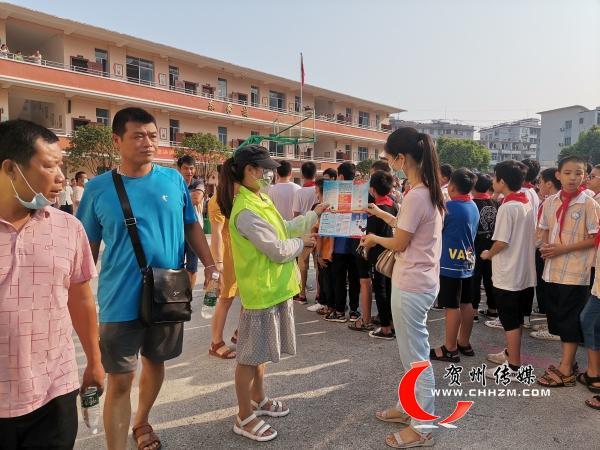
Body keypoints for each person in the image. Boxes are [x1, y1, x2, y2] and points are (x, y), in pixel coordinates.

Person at [77, 108, 217, 450]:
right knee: (120, 378)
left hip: (167, 292)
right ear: (117, 140)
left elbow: (190, 226)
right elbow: (85, 249)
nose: (148, 142)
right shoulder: (97, 189)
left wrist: (210, 266)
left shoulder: (173, 180)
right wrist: (74, 296)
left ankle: (141, 421)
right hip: (118, 297)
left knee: (156, 362)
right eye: (138, 135)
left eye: (153, 136)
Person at [0, 120, 105, 449]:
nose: (61, 177)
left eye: (61, 166)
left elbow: (81, 299)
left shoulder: (69, 228)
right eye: (49, 166)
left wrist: (95, 360)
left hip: (55, 390)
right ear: (10, 169)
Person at [221, 145, 326, 442]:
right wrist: (302, 245)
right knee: (248, 357)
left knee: (261, 353)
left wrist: (313, 214)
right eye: (264, 169)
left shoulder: (260, 199)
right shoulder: (245, 210)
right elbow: (278, 249)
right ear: (248, 171)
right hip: (260, 292)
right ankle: (243, 415)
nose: (269, 174)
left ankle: (259, 398)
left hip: (274, 289)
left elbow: (284, 228)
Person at [362, 127, 444, 448]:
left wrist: (373, 237)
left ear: (401, 157)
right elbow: (411, 230)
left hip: (411, 285)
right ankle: (407, 407)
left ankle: (422, 423)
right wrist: (384, 214)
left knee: (415, 357)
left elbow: (400, 241)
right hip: (421, 282)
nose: (388, 163)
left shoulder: (416, 194)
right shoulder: (429, 191)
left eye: (389, 157)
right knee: (410, 353)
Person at [536, 156, 600, 388]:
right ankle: (568, 363)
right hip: (552, 271)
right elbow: (543, 229)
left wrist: (562, 249)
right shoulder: (551, 201)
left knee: (570, 320)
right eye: (569, 173)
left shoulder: (589, 204)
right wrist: (543, 245)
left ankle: (565, 369)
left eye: (579, 173)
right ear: (558, 175)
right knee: (559, 320)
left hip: (575, 273)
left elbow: (595, 238)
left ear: (584, 176)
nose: (574, 177)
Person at [481, 160, 536, 380]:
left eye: (494, 178)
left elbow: (502, 241)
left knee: (510, 320)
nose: (493, 182)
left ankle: (513, 367)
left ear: (501, 181)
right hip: (522, 271)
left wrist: (488, 253)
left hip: (508, 273)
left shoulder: (507, 207)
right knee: (515, 318)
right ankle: (509, 354)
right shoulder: (526, 202)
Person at [431, 168, 479, 362]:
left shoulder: (448, 209)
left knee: (451, 305)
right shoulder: (473, 205)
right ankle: (464, 342)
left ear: (451, 186)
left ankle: (449, 348)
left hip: (450, 263)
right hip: (468, 261)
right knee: (466, 302)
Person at [356, 170, 398, 339]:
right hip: (394, 254)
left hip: (379, 257)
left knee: (380, 290)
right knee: (391, 289)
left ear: (372, 190)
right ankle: (393, 322)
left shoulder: (374, 210)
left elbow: (370, 238)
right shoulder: (394, 205)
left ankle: (386, 327)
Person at [208, 162, 239, 359]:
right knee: (225, 298)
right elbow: (217, 234)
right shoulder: (218, 199)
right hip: (227, 256)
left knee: (250, 296)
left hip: (243, 256)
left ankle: (241, 332)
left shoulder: (243, 196)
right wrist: (217, 264)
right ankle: (216, 341)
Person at [325, 162, 361, 323]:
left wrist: (329, 247)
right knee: (354, 279)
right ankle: (354, 311)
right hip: (356, 243)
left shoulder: (333, 192)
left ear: (340, 176)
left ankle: (339, 311)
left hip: (338, 244)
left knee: (338, 279)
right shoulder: (362, 192)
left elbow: (330, 219)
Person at [529, 168, 561, 341]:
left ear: (549, 183)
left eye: (540, 181)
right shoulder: (551, 201)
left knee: (550, 289)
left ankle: (554, 328)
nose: (538, 184)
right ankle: (551, 323)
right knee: (547, 289)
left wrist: (535, 245)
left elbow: (542, 230)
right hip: (547, 250)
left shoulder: (552, 203)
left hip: (547, 250)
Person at [471, 174, 499, 320]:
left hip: (476, 244)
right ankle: (492, 309)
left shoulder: (472, 203)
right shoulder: (495, 203)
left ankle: (473, 311)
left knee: (475, 278)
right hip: (492, 244)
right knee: (490, 277)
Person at [177, 155, 205, 288]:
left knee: (192, 268)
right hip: (176, 231)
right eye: (185, 168)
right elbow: (192, 198)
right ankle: (176, 296)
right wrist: (189, 195)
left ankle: (188, 297)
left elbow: (197, 198)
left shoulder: (198, 183)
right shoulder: (174, 183)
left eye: (191, 168)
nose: (189, 171)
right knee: (175, 265)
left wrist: (176, 198)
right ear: (179, 169)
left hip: (194, 230)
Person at [293, 161, 318, 304]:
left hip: (304, 233)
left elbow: (296, 215)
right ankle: (319, 294)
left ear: (302, 174)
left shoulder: (300, 192)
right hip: (319, 232)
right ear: (315, 173)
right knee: (318, 265)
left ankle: (301, 294)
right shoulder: (319, 189)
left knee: (303, 265)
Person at [313, 178, 335, 315]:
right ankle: (332, 306)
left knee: (327, 280)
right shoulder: (332, 207)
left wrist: (318, 254)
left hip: (325, 250)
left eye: (316, 189)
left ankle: (329, 307)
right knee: (330, 279)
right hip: (329, 250)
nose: (315, 191)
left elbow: (321, 234)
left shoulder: (323, 208)